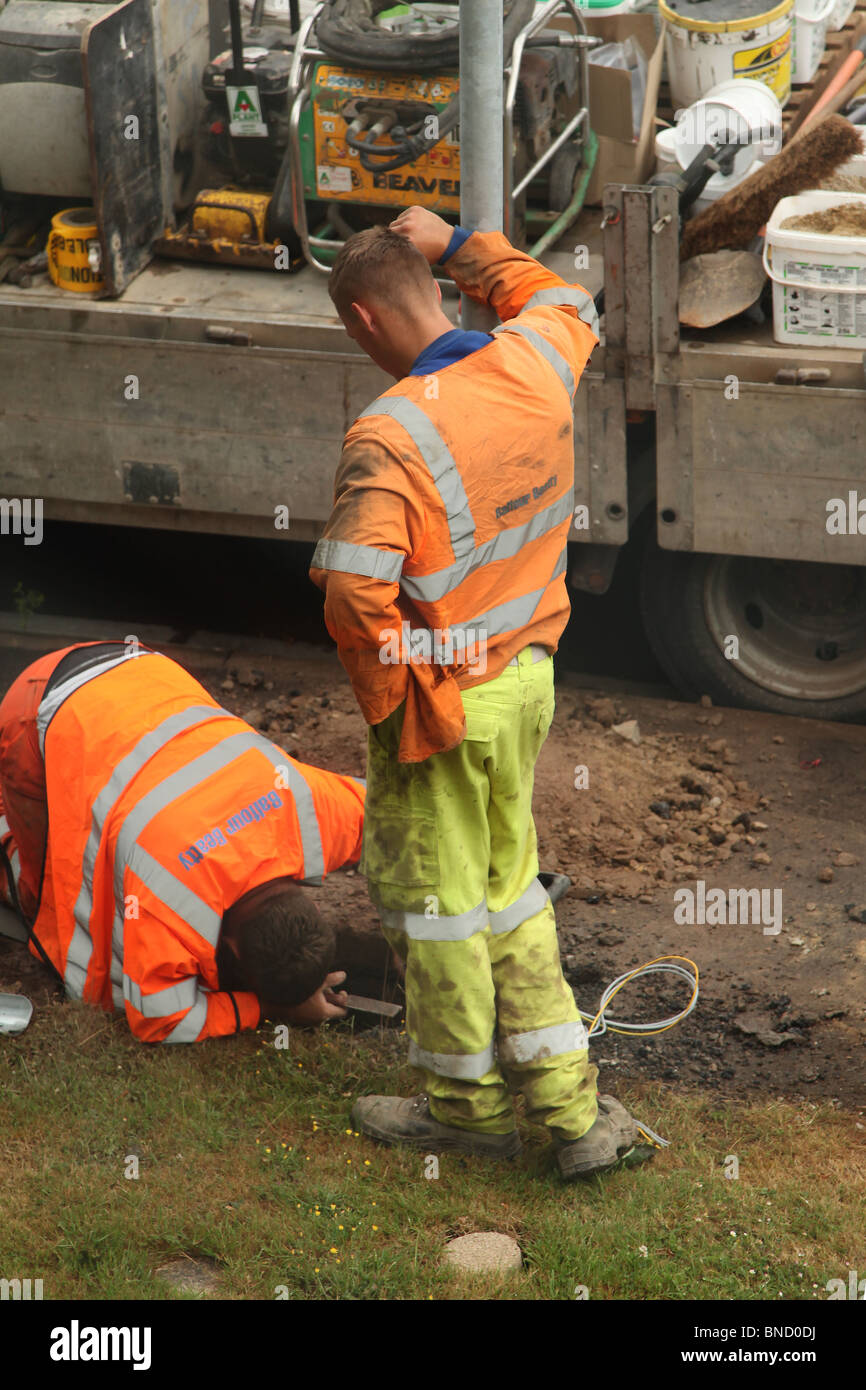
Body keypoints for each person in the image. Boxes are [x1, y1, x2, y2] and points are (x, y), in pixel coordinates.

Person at [309, 205, 651, 1179]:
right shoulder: (533, 358)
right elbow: (563, 299)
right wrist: (459, 239)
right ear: (426, 291)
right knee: (509, 897)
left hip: (448, 699)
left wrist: (397, 700)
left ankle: (460, 1109)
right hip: (527, 680)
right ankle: (571, 1115)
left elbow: (349, 591)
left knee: (439, 907)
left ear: (363, 324)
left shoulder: (387, 436)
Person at [0, 640, 364, 1041]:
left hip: (141, 670)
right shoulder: (169, 900)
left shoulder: (309, 806)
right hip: (37, 710)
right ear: (234, 951)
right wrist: (269, 1007)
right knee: (42, 899)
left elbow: (403, 824)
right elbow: (161, 1019)